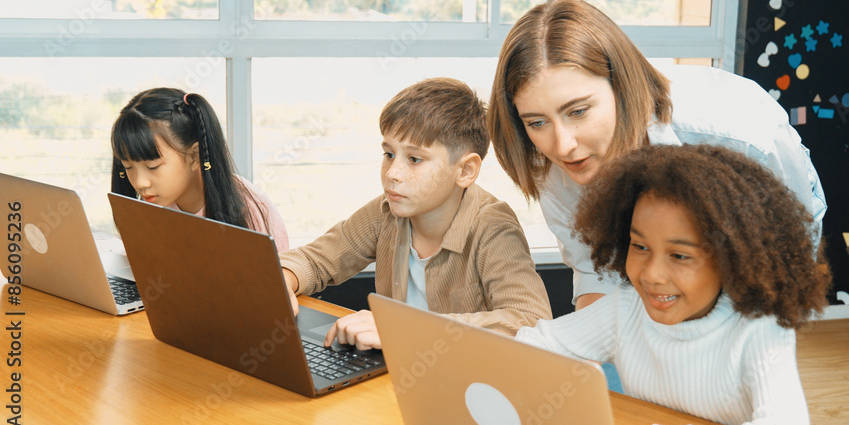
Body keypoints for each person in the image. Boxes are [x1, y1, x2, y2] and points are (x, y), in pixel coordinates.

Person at [488, 0, 826, 310]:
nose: (562, 146)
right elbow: (597, 273)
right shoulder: (550, 163)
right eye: (537, 122)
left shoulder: (741, 134)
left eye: (578, 112)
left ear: (620, 86)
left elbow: (787, 260)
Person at [516, 144, 832, 425]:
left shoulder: (760, 328)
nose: (651, 274)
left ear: (731, 260)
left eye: (680, 256)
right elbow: (532, 345)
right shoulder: (625, 308)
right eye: (639, 247)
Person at [278, 78, 551, 350]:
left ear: (466, 170)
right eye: (388, 154)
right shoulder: (387, 210)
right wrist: (283, 280)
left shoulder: (493, 227)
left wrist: (404, 328)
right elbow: (316, 260)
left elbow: (530, 321)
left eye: (414, 159)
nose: (392, 174)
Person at [111, 87, 289, 251]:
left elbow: (271, 282)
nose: (139, 182)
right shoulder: (157, 201)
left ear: (195, 156)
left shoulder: (248, 209)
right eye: (128, 167)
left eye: (153, 166)